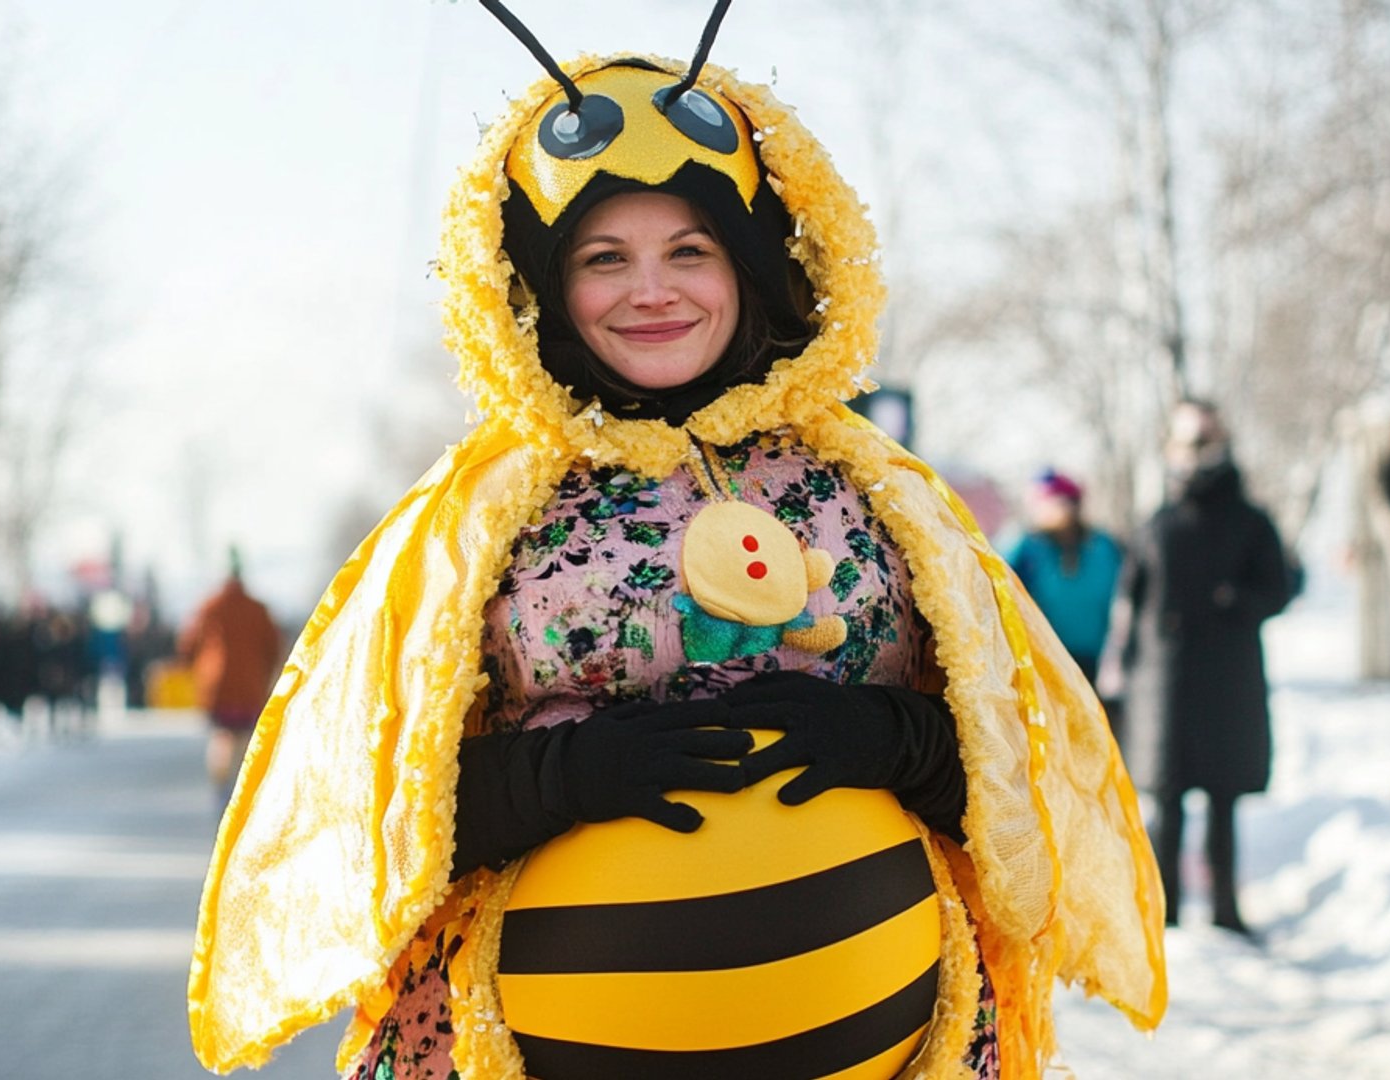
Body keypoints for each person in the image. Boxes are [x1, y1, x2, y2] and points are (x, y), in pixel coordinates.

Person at [189, 6, 1166, 1078]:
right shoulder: (471, 520)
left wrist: (893, 740)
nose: (650, 290)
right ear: (546, 287)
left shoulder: (883, 494)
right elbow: (374, 825)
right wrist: (564, 775)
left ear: (747, 266)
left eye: (689, 251)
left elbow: (1016, 787)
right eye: (605, 258)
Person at [1103, 400, 1292, 937]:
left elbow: (1279, 588)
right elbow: (1129, 604)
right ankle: (1166, 913)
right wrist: (1122, 669)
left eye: (1203, 441)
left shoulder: (1251, 522)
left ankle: (1226, 909)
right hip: (1163, 684)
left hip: (1228, 680)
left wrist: (1238, 602)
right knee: (1166, 800)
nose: (1193, 453)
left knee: (1223, 798)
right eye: (1184, 442)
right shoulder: (1156, 524)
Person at [177, 549, 284, 808]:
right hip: (250, 686)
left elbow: (188, 644)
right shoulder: (258, 610)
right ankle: (240, 790)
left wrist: (195, 667)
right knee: (244, 738)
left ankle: (220, 790)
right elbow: (274, 647)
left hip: (218, 687)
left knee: (222, 737)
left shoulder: (210, 606)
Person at [1001, 469, 1125, 683]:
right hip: (1042, 655)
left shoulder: (1103, 546)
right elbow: (1000, 584)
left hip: (1094, 654)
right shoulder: (1026, 547)